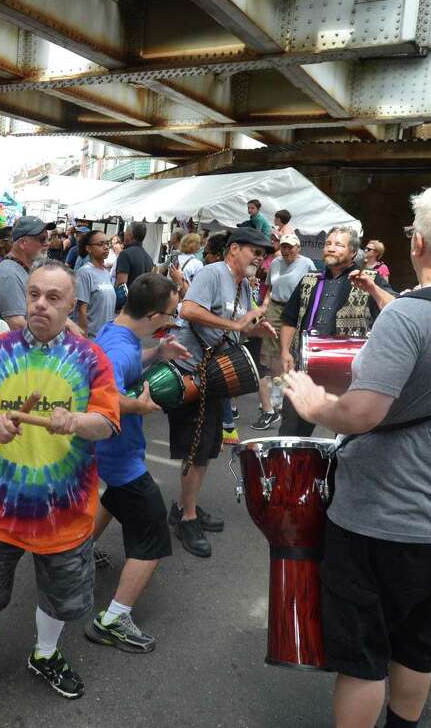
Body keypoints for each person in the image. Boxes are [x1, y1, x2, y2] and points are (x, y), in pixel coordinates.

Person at [283, 179, 431, 728]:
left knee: (363, 659)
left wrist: (317, 406)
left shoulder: (409, 315)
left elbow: (362, 412)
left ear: (417, 245)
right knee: (415, 645)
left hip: (378, 519)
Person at [0, 260, 119, 728]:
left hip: (64, 514)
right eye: (34, 294)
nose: (40, 303)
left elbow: (108, 423)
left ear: (70, 305)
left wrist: (77, 421)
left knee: (59, 598)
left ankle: (44, 655)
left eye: (53, 297)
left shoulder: (92, 359)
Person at [87, 274, 190, 653]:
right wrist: (141, 405)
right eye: (169, 314)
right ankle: (113, 619)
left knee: (114, 499)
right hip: (119, 455)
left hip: (115, 455)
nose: (171, 320)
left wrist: (157, 354)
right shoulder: (120, 350)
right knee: (152, 538)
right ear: (151, 314)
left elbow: (126, 365)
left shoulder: (118, 334)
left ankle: (77, 556)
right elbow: (104, 397)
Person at [167, 226, 275, 557]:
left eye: (262, 254)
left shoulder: (243, 286)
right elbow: (188, 310)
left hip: (214, 375)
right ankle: (186, 518)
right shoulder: (214, 273)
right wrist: (237, 326)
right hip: (191, 373)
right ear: (233, 250)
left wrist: (254, 325)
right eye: (253, 251)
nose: (259, 257)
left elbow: (238, 323)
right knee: (195, 448)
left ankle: (189, 508)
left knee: (208, 447)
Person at [278, 227, 396, 437]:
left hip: (348, 371)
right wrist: (285, 352)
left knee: (347, 438)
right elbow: (289, 318)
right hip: (304, 367)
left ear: (352, 252)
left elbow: (396, 308)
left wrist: (373, 289)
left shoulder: (370, 278)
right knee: (291, 435)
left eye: (339, 245)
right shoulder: (309, 279)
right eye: (328, 244)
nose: (331, 248)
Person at [252, 232, 316, 430]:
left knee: (288, 349)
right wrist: (264, 305)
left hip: (295, 309)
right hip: (275, 307)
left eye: (290, 247)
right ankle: (277, 389)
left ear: (298, 247)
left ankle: (283, 391)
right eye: (284, 246)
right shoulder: (276, 263)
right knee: (269, 350)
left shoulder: (307, 264)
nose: (287, 250)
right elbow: (270, 288)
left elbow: (313, 288)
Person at [0, 216, 54, 332]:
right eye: (42, 239)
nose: (47, 243)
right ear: (23, 243)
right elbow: (17, 325)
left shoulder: (23, 268)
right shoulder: (8, 273)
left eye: (48, 238)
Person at [74, 229, 117, 339]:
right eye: (100, 244)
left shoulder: (106, 273)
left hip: (105, 337)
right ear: (89, 248)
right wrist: (84, 339)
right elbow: (81, 310)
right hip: (91, 339)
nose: (106, 247)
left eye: (107, 243)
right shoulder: (84, 272)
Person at [114, 221, 154, 291]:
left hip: (128, 300)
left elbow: (121, 284)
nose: (124, 236)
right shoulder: (148, 258)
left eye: (125, 233)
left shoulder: (125, 254)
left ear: (130, 235)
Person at [168, 232, 204, 300]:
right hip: (186, 297)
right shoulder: (198, 264)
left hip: (172, 295)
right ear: (196, 246)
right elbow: (198, 286)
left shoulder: (174, 258)